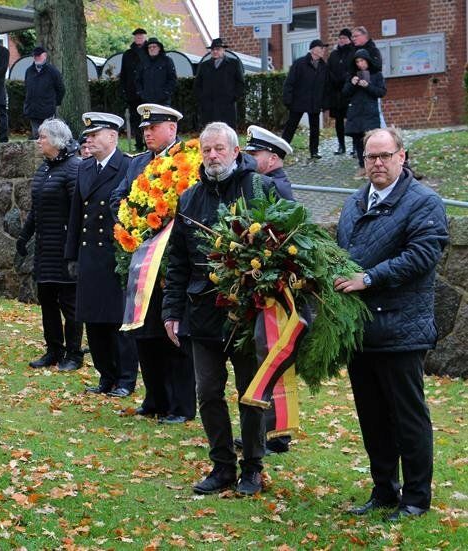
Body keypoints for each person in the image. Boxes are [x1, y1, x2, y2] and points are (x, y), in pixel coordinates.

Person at [334, 127, 448, 521]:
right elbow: (342, 255)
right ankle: (384, 490)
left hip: (401, 329)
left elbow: (421, 255)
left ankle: (416, 499)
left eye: (385, 155)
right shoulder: (353, 202)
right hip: (361, 331)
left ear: (402, 156)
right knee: (372, 417)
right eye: (370, 157)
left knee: (408, 417)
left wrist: (369, 278)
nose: (377, 163)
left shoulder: (424, 202)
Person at [163, 122, 281, 496]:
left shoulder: (259, 189)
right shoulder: (189, 198)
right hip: (201, 312)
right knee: (208, 392)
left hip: (247, 310)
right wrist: (171, 311)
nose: (212, 155)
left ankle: (253, 467)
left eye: (219, 149)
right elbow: (177, 260)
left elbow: (281, 245)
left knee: (251, 392)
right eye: (207, 150)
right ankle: (222, 466)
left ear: (235, 152)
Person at [111, 104, 196, 418]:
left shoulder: (187, 161)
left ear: (172, 129)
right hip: (139, 261)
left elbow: (189, 205)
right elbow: (118, 195)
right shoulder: (137, 164)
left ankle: (181, 405)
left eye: (153, 128)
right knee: (144, 334)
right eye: (145, 129)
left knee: (172, 334)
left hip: (171, 263)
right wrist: (131, 220)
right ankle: (155, 399)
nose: (147, 133)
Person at [65, 112, 137, 395]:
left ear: (112, 136)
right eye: (88, 136)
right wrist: (71, 254)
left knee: (118, 321)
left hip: (114, 255)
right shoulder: (85, 168)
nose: (89, 140)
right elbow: (76, 214)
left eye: (95, 135)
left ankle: (125, 378)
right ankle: (105, 375)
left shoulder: (127, 166)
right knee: (93, 320)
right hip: (89, 257)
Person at [238, 124, 295, 453]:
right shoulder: (264, 183)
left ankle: (275, 433)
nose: (249, 159)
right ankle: (264, 429)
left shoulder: (275, 186)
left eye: (254, 154)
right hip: (261, 286)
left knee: (269, 353)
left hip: (273, 289)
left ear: (272, 158)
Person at [16, 118, 83, 371]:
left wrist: (74, 248)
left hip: (65, 250)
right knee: (47, 301)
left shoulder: (73, 168)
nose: (38, 141)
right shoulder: (44, 169)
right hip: (45, 249)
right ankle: (53, 350)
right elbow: (36, 209)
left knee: (70, 304)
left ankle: (74, 354)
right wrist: (24, 236)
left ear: (56, 140)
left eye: (42, 137)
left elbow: (79, 211)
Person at [281, 39, 330, 159]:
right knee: (291, 126)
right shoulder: (300, 63)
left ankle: (314, 151)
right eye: (321, 48)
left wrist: (325, 104)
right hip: (298, 100)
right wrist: (288, 99)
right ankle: (281, 150)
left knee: (315, 128)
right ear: (313, 49)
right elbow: (290, 82)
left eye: (324, 48)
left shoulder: (323, 66)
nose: (323, 50)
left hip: (315, 102)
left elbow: (326, 87)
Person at [343, 49, 386, 177]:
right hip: (356, 111)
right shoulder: (352, 75)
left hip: (370, 111)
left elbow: (381, 92)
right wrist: (352, 84)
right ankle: (362, 165)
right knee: (357, 140)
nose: (360, 64)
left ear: (367, 61)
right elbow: (345, 93)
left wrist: (367, 86)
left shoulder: (376, 74)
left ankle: (373, 166)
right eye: (357, 61)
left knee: (371, 140)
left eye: (362, 60)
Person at [194, 38, 244, 130]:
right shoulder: (204, 65)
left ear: (223, 50)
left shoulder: (233, 64)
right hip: (209, 106)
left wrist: (233, 97)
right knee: (210, 130)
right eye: (213, 49)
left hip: (227, 105)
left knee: (227, 131)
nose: (215, 51)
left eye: (218, 49)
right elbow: (198, 84)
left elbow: (240, 83)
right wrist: (202, 99)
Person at [22, 46, 65, 140]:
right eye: (35, 56)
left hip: (47, 111)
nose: (36, 58)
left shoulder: (53, 71)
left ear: (45, 55)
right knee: (36, 136)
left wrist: (54, 103)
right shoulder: (29, 71)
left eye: (39, 56)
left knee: (48, 136)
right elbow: (27, 88)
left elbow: (61, 89)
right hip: (33, 110)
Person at [119, 28, 149, 150]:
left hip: (147, 93)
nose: (139, 38)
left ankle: (148, 143)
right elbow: (124, 75)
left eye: (141, 36)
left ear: (145, 37)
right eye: (137, 36)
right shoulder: (128, 54)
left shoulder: (150, 52)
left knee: (148, 120)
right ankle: (138, 143)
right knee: (135, 120)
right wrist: (123, 91)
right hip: (132, 93)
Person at [328, 29, 354, 155]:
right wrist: (334, 80)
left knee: (352, 119)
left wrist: (346, 79)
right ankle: (341, 145)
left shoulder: (353, 52)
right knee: (339, 121)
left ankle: (355, 147)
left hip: (350, 91)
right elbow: (329, 71)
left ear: (349, 39)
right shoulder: (334, 54)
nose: (342, 40)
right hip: (336, 93)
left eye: (344, 38)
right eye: (340, 38)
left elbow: (353, 70)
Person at [136, 37, 177, 107]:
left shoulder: (167, 61)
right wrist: (141, 93)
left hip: (164, 102)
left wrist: (166, 93)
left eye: (154, 46)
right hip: (146, 101)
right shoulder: (143, 63)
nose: (151, 49)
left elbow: (172, 79)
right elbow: (138, 80)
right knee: (147, 118)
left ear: (159, 48)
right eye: (149, 47)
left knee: (163, 118)